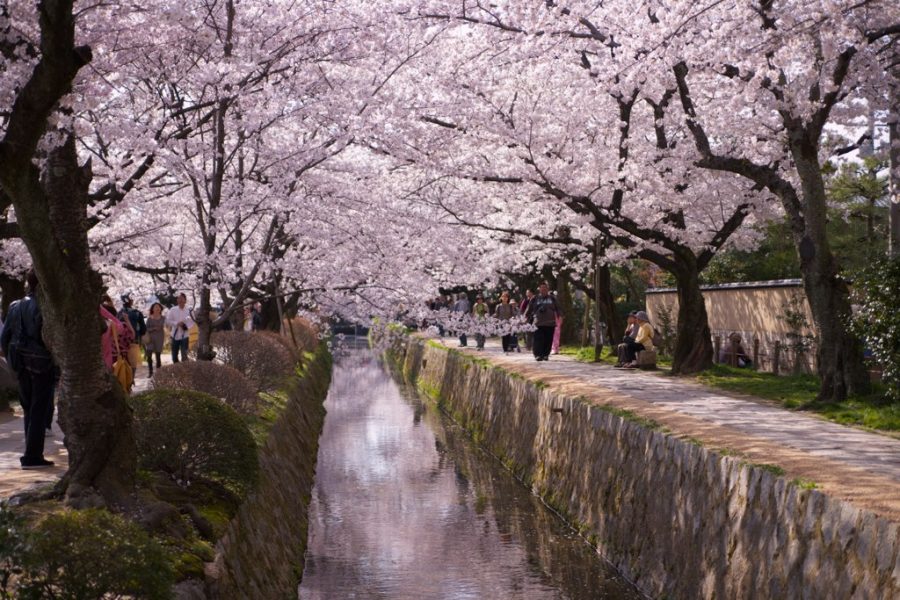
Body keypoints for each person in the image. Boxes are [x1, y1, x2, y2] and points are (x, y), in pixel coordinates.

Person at [1, 270, 56, 469]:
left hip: (20, 364)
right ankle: (32, 456)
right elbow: (48, 337)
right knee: (39, 410)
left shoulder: (14, 305)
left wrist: (13, 362)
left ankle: (31, 453)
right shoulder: (46, 306)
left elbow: (4, 337)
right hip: (42, 363)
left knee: (28, 409)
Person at [525, 282, 560, 361]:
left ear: (548, 289)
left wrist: (560, 316)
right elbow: (529, 309)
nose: (543, 289)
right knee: (538, 339)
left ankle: (545, 354)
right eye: (542, 287)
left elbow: (558, 308)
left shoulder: (552, 298)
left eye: (545, 287)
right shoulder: (535, 298)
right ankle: (538, 355)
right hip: (538, 322)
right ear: (539, 289)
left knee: (548, 339)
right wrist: (525, 317)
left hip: (550, 323)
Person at [118, 294, 146, 373]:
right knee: (133, 364)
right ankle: (131, 381)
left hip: (121, 343)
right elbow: (143, 330)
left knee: (123, 364)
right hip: (133, 341)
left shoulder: (118, 314)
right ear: (131, 301)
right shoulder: (137, 313)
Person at [165, 293, 194, 363]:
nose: (180, 300)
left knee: (184, 355)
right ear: (177, 300)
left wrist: (186, 326)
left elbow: (193, 321)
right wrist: (176, 323)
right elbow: (168, 321)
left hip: (185, 335)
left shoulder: (189, 310)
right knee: (174, 355)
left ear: (185, 300)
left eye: (182, 298)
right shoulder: (173, 309)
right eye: (178, 298)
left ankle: (183, 370)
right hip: (174, 335)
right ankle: (177, 368)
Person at [145, 302, 165, 376]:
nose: (157, 308)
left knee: (158, 355)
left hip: (159, 338)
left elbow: (164, 326)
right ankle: (150, 372)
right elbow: (146, 328)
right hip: (150, 338)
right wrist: (153, 328)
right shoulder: (149, 318)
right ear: (152, 309)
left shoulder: (163, 318)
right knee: (149, 355)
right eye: (155, 307)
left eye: (158, 307)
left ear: (160, 309)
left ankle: (158, 373)